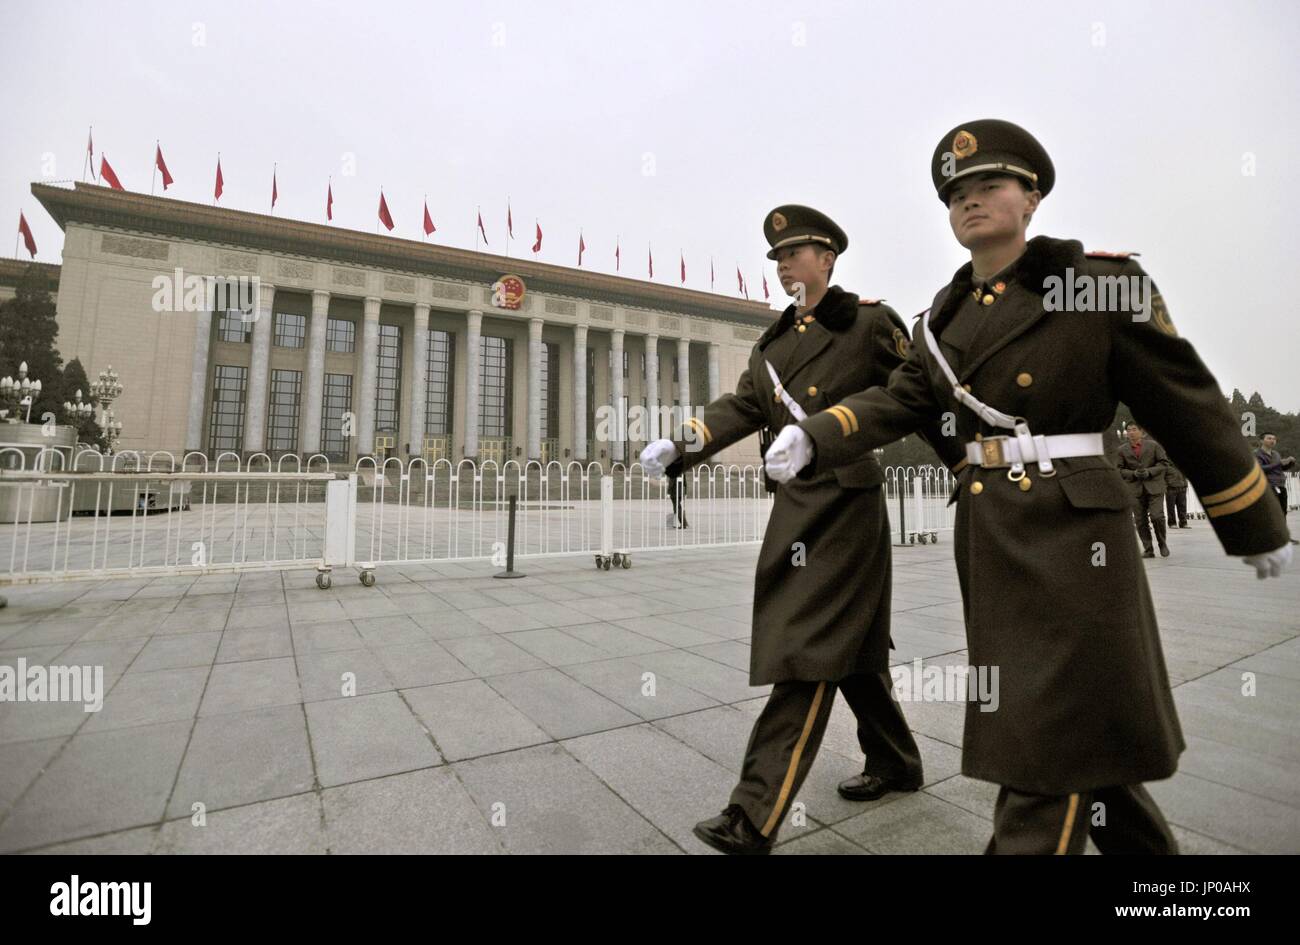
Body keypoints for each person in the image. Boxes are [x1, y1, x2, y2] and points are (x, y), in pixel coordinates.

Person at [764, 119, 1293, 854]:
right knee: (1082, 747)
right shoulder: (941, 322)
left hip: (1073, 537)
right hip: (992, 540)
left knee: (1047, 751)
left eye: (989, 186)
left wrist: (1254, 520)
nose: (970, 203)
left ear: (1032, 196)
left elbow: (1188, 403)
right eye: (956, 195)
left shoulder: (1098, 285)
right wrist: (815, 432)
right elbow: (897, 400)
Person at [640, 205, 963, 855]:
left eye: (796, 252)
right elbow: (738, 408)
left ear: (828, 258)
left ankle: (754, 813)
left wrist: (967, 465)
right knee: (850, 647)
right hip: (796, 504)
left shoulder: (869, 322)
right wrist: (682, 446)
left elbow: (919, 396)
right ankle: (896, 759)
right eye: (777, 256)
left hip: (847, 502)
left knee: (811, 647)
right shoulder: (771, 346)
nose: (784, 263)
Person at [1116, 422, 1172, 556]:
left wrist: (1150, 471)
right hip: (1135, 489)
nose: (1131, 432)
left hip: (1154, 487)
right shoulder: (1122, 450)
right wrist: (1133, 474)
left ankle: (1162, 543)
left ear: (1142, 432)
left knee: (1157, 516)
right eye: (1128, 430)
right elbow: (1118, 469)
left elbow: (1164, 463)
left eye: (1134, 429)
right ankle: (1148, 549)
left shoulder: (1154, 446)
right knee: (1140, 521)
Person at [1255, 433, 1296, 541]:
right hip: (1268, 486)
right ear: (1261, 441)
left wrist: (1290, 463)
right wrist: (1279, 463)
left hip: (1280, 485)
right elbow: (1260, 469)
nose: (1272, 440)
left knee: (1283, 511)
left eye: (1274, 439)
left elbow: (1279, 469)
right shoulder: (1257, 454)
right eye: (1269, 438)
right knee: (1273, 512)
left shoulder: (1276, 454)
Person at [1165, 459, 1190, 528]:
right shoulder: (1166, 464)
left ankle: (1183, 523)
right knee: (1171, 507)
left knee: (1182, 506)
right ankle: (1172, 523)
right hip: (1170, 488)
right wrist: (1167, 485)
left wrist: (1185, 484)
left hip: (1182, 487)